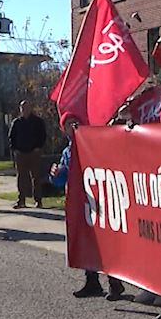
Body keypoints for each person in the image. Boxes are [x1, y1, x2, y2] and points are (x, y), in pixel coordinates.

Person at [53, 114, 126, 300]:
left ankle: (115, 283)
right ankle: (92, 281)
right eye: (69, 124)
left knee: (105, 242)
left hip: (97, 201)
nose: (73, 126)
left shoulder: (92, 144)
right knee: (87, 242)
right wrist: (56, 174)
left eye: (76, 123)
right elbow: (63, 179)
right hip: (79, 203)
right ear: (64, 129)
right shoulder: (67, 152)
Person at [8, 100, 47, 209]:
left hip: (34, 153)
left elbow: (43, 135)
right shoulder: (17, 122)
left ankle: (38, 200)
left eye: (27, 107)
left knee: (36, 177)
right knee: (21, 177)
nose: (25, 110)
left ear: (31, 108)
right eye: (23, 108)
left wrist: (38, 147)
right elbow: (11, 137)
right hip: (20, 153)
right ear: (20, 109)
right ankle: (21, 200)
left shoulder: (38, 121)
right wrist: (14, 149)